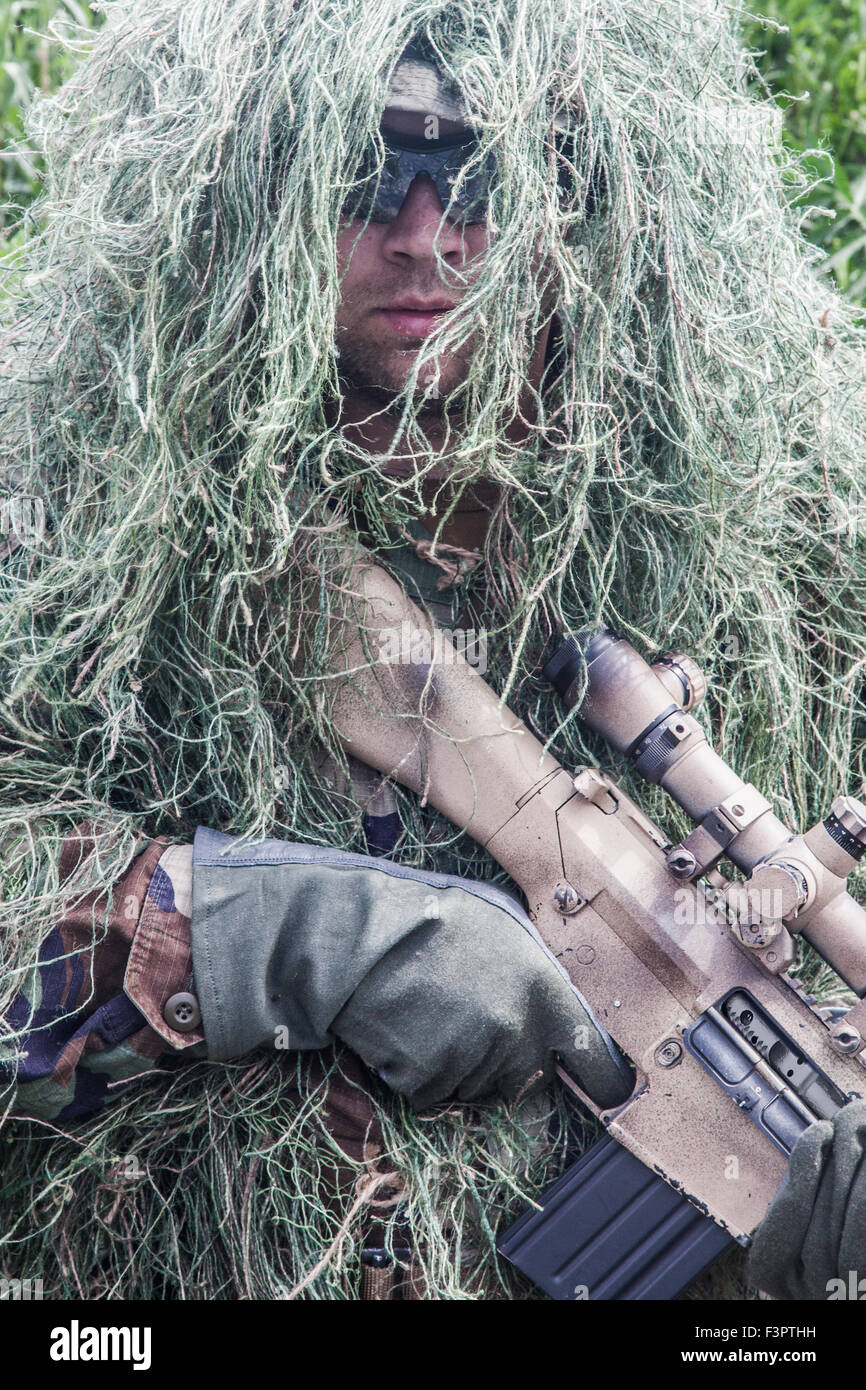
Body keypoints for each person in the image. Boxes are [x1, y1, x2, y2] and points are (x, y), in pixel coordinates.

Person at [0, 0, 864, 1302]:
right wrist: (295, 934)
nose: (424, 235)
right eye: (364, 175)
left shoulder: (740, 538)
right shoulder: (79, 513)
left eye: (477, 178)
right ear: (248, 191)